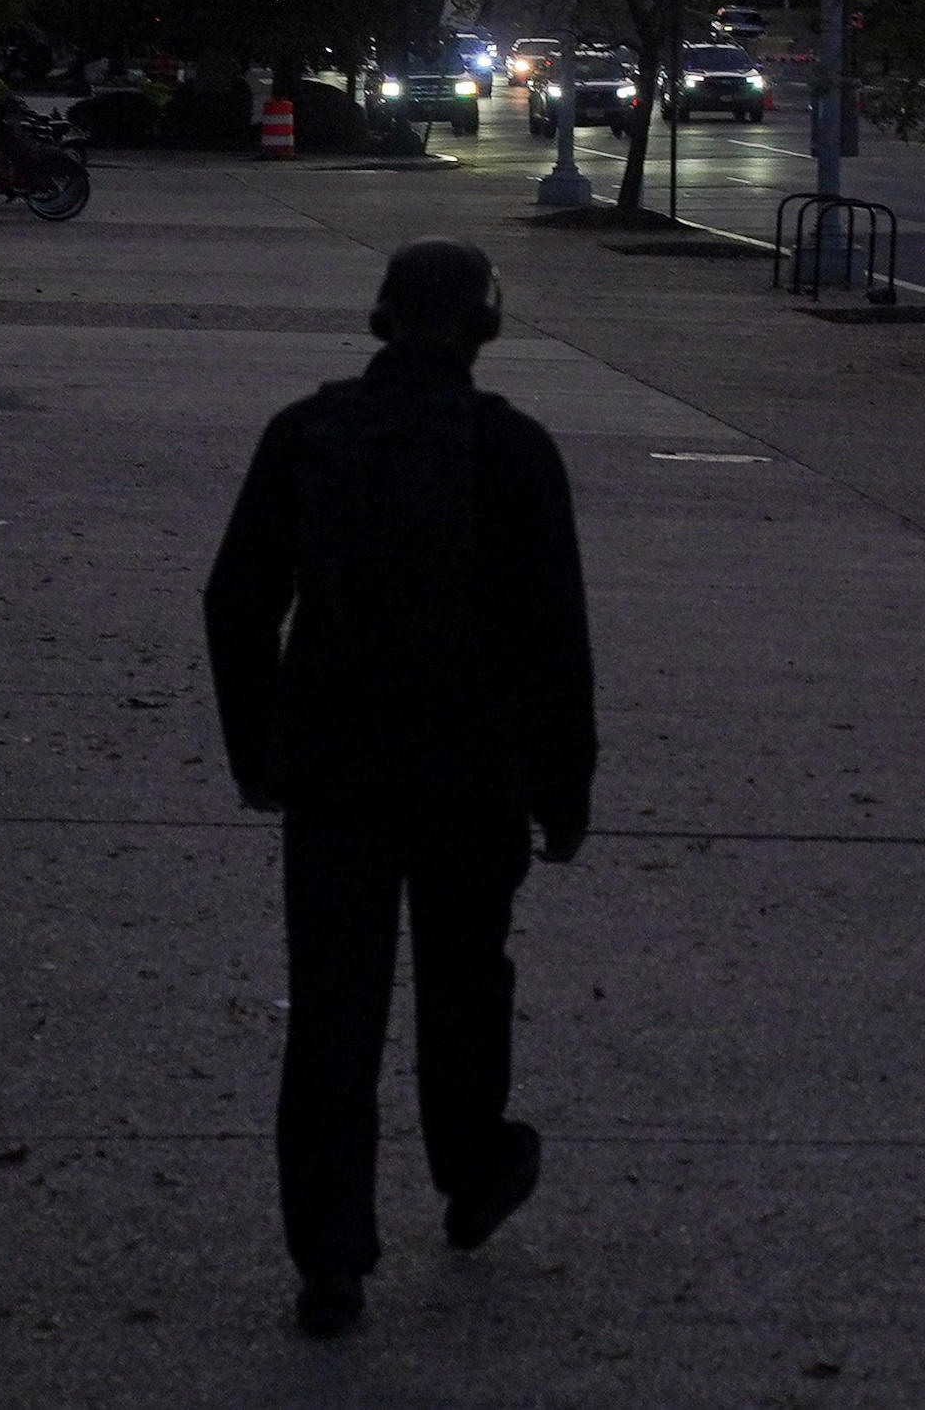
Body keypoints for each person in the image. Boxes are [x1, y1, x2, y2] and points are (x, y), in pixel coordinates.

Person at [203, 237, 596, 1339]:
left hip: (335, 767)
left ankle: (331, 1258)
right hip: (471, 767)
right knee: (466, 977)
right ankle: (473, 1162)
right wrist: (563, 786)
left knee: (333, 1009)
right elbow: (554, 638)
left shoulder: (307, 433)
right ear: (485, 324)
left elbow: (237, 600)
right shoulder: (514, 451)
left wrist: (259, 748)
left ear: (383, 315)